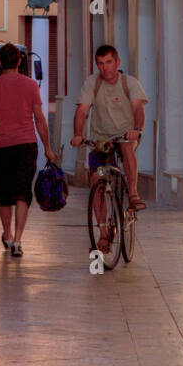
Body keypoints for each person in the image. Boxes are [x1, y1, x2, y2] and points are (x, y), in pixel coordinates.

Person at [0, 42, 57, 258]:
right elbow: (39, 119)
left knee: (4, 193)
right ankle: (19, 240)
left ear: (0, 62)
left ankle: (8, 235)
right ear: (20, 61)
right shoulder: (31, 85)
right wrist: (48, 148)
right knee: (22, 192)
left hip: (2, 146)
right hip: (26, 145)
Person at [71, 45, 148, 250]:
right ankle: (104, 233)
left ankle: (132, 194)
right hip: (101, 139)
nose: (104, 68)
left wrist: (137, 129)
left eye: (109, 62)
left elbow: (138, 109)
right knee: (97, 180)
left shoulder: (129, 83)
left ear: (117, 62)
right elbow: (82, 111)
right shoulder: (92, 83)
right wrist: (78, 134)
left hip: (125, 135)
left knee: (125, 148)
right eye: (100, 63)